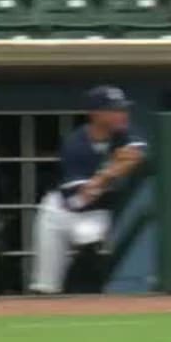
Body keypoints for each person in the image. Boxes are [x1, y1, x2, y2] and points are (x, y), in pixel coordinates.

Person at [29, 86, 148, 295]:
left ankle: (85, 299)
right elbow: (82, 194)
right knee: (45, 285)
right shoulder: (75, 144)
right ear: (96, 114)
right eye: (114, 110)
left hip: (95, 211)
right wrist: (110, 171)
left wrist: (102, 177)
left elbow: (134, 157)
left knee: (92, 249)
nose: (122, 114)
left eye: (123, 109)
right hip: (59, 210)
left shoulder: (125, 134)